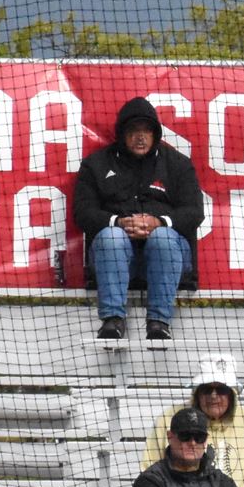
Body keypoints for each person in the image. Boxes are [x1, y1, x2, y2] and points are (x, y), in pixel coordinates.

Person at [77, 96, 204, 344]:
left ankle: (159, 321)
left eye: (146, 130)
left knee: (163, 238)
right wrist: (118, 223)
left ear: (155, 134)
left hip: (168, 259)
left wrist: (158, 222)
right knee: (111, 236)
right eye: (134, 131)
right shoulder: (96, 164)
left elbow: (194, 211)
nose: (140, 137)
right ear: (122, 134)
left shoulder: (178, 164)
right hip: (115, 260)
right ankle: (113, 319)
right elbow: (83, 212)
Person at [139, 356, 244, 487]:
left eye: (221, 389)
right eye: (206, 389)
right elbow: (149, 476)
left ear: (232, 393)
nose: (213, 395)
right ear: (197, 393)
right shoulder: (169, 419)